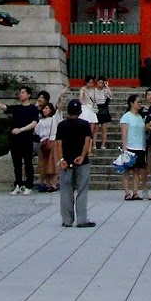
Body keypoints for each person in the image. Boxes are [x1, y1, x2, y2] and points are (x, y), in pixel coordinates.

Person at [56, 98, 96, 228]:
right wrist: (82, 156)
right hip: (81, 161)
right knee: (82, 190)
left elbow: (58, 143)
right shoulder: (84, 124)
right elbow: (87, 141)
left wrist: (61, 159)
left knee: (66, 191)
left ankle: (67, 220)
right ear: (79, 111)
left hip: (66, 161)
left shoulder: (62, 125)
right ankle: (82, 219)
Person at [3, 86, 40, 195]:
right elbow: (4, 107)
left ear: (28, 95)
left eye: (23, 92)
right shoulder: (16, 108)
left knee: (28, 162)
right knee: (17, 163)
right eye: (20, 92)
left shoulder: (33, 108)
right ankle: (18, 184)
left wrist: (21, 129)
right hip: (15, 140)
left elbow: (34, 123)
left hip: (27, 139)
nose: (21, 94)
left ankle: (29, 185)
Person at [119, 93, 148, 200]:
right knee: (127, 170)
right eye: (138, 102)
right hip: (130, 146)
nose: (140, 104)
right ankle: (127, 193)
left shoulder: (140, 117)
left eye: (141, 102)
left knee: (137, 170)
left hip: (140, 146)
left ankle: (135, 192)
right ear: (131, 103)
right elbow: (124, 133)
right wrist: (124, 147)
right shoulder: (126, 117)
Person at [36, 101, 60, 193]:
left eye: (47, 108)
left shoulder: (54, 118)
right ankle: (47, 184)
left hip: (52, 141)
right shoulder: (40, 121)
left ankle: (53, 184)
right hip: (43, 142)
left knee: (53, 164)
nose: (45, 110)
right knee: (44, 164)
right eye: (44, 108)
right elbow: (37, 131)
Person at [87, 77, 113, 149]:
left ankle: (103, 144)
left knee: (104, 128)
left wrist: (107, 86)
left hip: (104, 109)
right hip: (96, 108)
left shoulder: (105, 91)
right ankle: (94, 144)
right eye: (99, 82)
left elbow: (110, 95)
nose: (100, 84)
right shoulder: (94, 90)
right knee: (96, 128)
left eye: (102, 83)